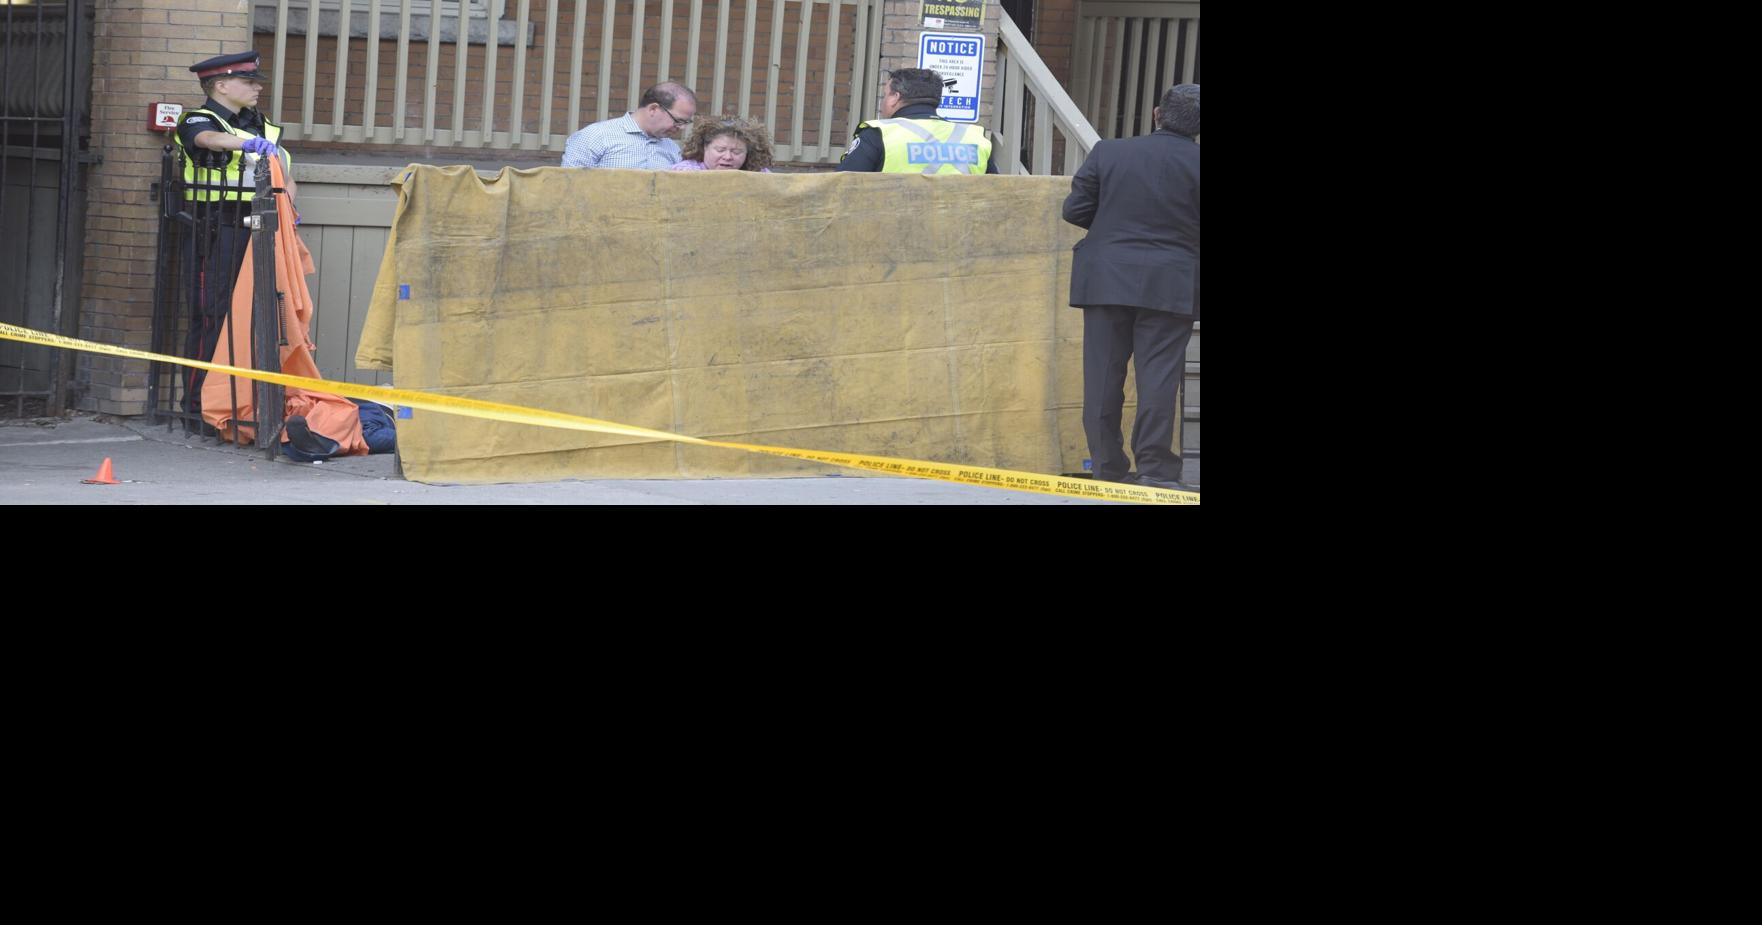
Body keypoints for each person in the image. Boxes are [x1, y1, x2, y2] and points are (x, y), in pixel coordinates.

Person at [1061, 84, 1200, 492]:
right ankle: (1156, 469)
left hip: (1105, 278)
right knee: (1158, 377)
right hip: (1171, 282)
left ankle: (1108, 468)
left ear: (1157, 114)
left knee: (1103, 376)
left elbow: (1075, 210)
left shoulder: (1110, 151)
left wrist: (1113, 234)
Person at [172, 50, 294, 423]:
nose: (257, 87)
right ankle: (197, 409)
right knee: (212, 316)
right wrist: (244, 144)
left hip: (260, 225)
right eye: (249, 82)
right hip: (213, 226)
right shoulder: (198, 118)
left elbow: (285, 170)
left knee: (257, 316)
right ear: (221, 85)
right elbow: (207, 139)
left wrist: (289, 204)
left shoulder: (263, 124)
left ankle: (237, 405)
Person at [836, 68, 997, 174]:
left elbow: (840, 189)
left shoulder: (878, 134)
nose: (883, 101)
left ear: (895, 98)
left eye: (885, 95)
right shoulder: (975, 139)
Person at [562, 83, 698, 169]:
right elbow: (568, 184)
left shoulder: (672, 148)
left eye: (685, 123)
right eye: (678, 121)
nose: (681, 128)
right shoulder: (595, 136)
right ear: (653, 109)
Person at [283, 399, 398, 463]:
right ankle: (315, 446)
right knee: (365, 438)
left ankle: (314, 444)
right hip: (372, 411)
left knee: (328, 427)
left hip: (342, 405)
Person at [668, 117, 775, 172]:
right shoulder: (685, 171)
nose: (728, 157)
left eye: (736, 152)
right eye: (720, 150)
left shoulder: (760, 174)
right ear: (705, 148)